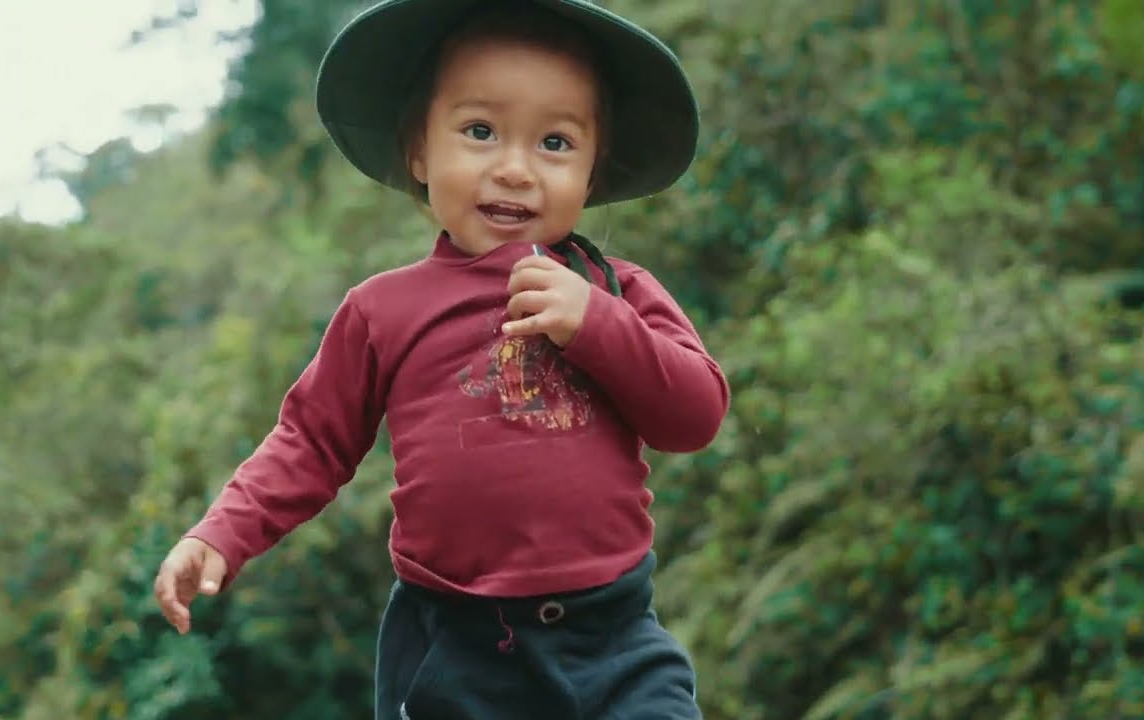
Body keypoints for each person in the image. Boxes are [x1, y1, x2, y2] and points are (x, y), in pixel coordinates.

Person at [152, 1, 729, 717]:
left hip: (611, 644)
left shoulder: (617, 291)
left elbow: (696, 416)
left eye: (555, 142)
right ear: (420, 151)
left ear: (591, 174)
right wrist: (221, 533)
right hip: (454, 651)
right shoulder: (383, 311)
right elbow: (309, 442)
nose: (515, 170)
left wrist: (597, 323)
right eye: (480, 131)